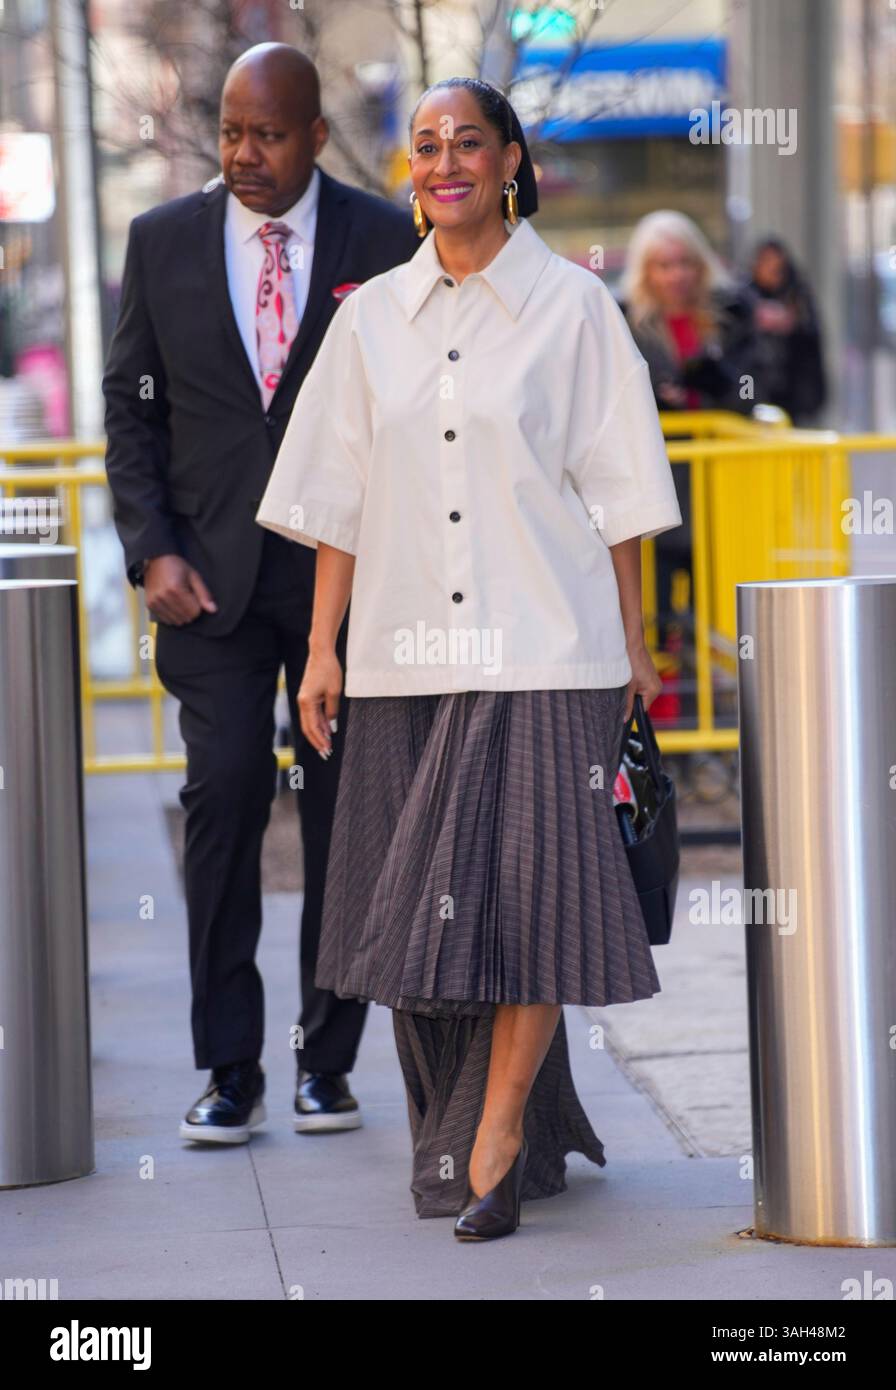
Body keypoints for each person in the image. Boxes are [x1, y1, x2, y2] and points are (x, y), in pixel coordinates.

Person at [255, 77, 682, 1240]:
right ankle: (511, 1120)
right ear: (413, 170)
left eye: (468, 143)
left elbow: (623, 500)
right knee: (419, 929)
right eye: (426, 144)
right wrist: (319, 649)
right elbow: (337, 498)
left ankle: (491, 1138)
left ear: (509, 161)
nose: (446, 162)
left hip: (547, 649)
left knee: (534, 900)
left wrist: (634, 652)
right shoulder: (368, 319)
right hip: (402, 657)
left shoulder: (575, 310)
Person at [103, 43, 420, 1144]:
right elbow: (130, 413)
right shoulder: (160, 242)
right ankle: (228, 1066)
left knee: (344, 819)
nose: (244, 153)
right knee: (226, 797)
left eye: (268, 135)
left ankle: (322, 1064)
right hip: (210, 588)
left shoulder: (385, 238)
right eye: (232, 133)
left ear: (316, 137)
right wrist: (150, 551)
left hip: (349, 580)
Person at [617, 210, 764, 658]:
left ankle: (715, 686)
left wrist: (720, 382)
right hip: (656, 485)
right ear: (645, 271)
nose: (677, 275)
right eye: (664, 265)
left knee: (719, 603)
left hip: (725, 486)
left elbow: (759, 389)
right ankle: (661, 697)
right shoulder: (625, 322)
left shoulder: (732, 316)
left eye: (685, 262)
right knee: (656, 601)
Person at [747, 236, 827, 424]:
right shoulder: (745, 297)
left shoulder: (797, 294)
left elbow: (811, 341)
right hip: (755, 390)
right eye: (765, 263)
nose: (771, 271)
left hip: (794, 393)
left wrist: (791, 323)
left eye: (777, 267)